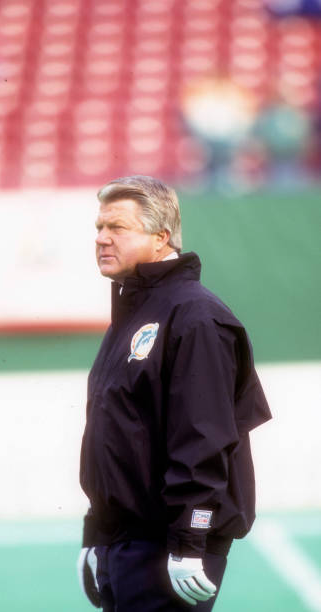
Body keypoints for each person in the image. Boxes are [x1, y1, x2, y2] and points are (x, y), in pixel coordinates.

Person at [77, 175, 271, 611]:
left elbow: (203, 441)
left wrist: (189, 542)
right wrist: (96, 536)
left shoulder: (196, 317)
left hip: (167, 549)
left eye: (117, 227)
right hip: (124, 544)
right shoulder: (135, 313)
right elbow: (115, 440)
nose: (102, 238)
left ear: (161, 237)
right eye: (99, 227)